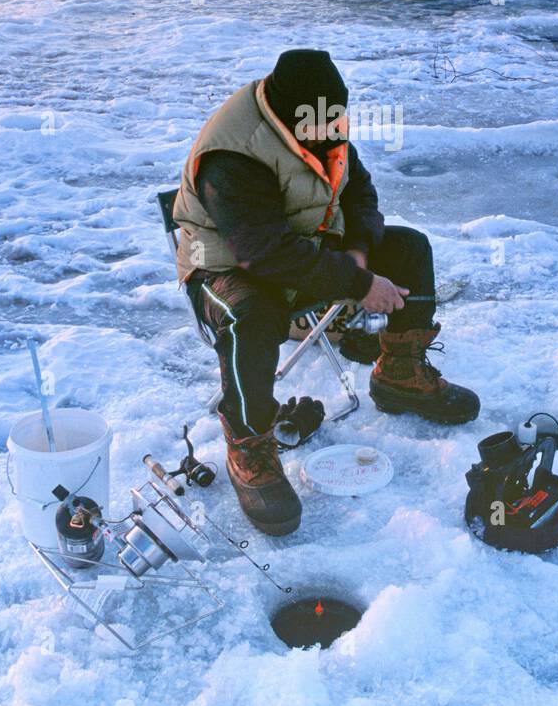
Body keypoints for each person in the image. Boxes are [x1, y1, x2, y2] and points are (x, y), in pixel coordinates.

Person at [173, 49, 480, 535]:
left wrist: (357, 252)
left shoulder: (318, 116)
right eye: (320, 123)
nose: (332, 130)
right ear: (286, 115)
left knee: (409, 249)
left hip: (304, 244)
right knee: (249, 317)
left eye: (336, 119)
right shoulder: (234, 154)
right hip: (227, 264)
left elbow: (360, 193)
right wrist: (358, 285)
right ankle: (249, 445)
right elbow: (264, 252)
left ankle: (400, 373)